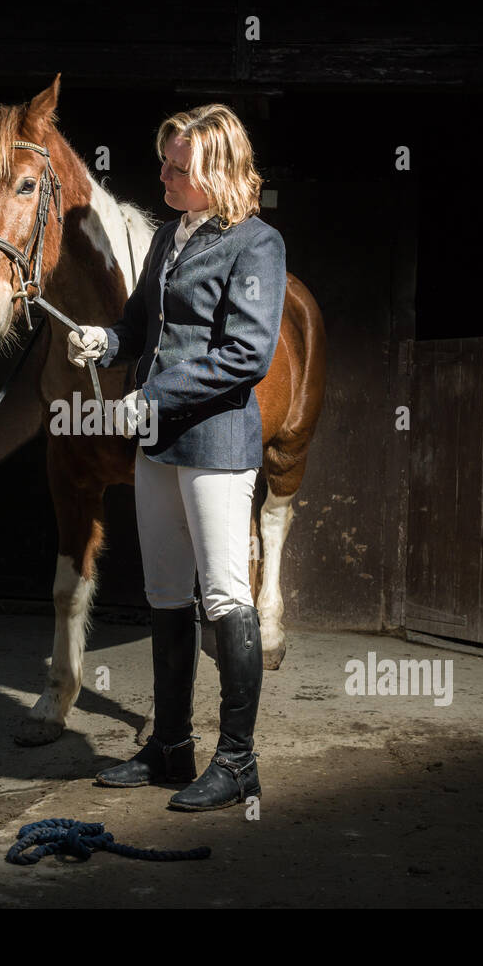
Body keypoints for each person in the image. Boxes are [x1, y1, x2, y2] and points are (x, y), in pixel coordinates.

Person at [67, 103, 286, 811]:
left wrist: (153, 396)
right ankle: (169, 747)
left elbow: (246, 355)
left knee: (224, 596)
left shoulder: (257, 245)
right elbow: (140, 325)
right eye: (164, 161)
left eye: (177, 166)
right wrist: (105, 342)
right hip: (157, 443)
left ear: (216, 171)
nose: (162, 173)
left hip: (217, 443)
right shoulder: (169, 236)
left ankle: (238, 762)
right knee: (164, 594)